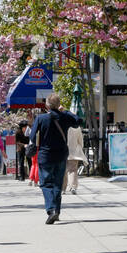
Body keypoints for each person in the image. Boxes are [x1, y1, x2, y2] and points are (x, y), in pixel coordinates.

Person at [30, 94, 81, 224]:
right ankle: (56, 211)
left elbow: (32, 136)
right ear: (58, 105)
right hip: (61, 154)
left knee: (46, 184)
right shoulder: (64, 117)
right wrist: (66, 111)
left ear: (47, 105)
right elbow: (78, 121)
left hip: (45, 155)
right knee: (58, 184)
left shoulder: (41, 118)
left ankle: (51, 209)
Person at [63, 121, 86, 194]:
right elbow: (80, 141)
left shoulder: (63, 126)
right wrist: (81, 148)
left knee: (63, 170)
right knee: (73, 170)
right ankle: (73, 187)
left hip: (63, 151)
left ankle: (63, 188)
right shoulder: (77, 128)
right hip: (74, 151)